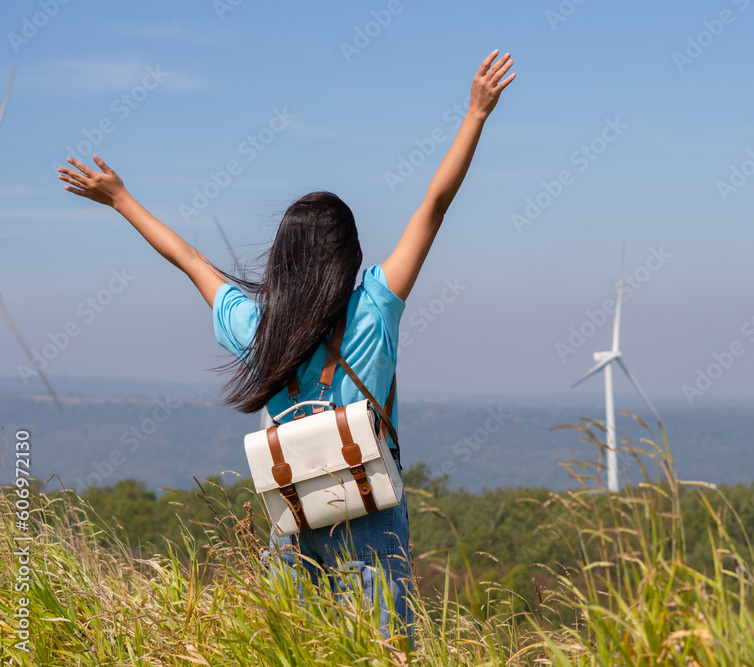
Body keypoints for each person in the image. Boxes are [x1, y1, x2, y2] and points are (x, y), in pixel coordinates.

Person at [57, 50, 516, 646]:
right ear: (347, 256)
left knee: (295, 650)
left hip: (292, 517)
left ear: (283, 257)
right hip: (369, 514)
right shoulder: (373, 307)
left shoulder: (257, 328)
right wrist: (476, 114)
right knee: (382, 653)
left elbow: (189, 259)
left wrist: (121, 199)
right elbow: (434, 205)